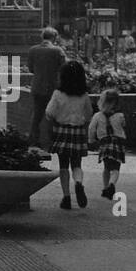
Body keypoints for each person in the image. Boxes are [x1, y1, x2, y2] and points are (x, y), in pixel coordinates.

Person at [45, 60, 93, 210]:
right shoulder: (84, 95)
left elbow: (50, 112)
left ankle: (66, 197)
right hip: (78, 131)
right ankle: (78, 183)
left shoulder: (58, 94)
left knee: (63, 165)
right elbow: (89, 114)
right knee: (77, 164)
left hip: (62, 131)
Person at [27, 27, 67, 149]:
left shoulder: (33, 50)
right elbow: (64, 69)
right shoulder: (57, 51)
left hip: (37, 87)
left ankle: (34, 141)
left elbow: (31, 69)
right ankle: (52, 142)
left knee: (37, 115)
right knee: (53, 115)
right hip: (53, 87)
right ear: (54, 37)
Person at [88, 87, 127, 199]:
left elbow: (91, 129)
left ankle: (105, 188)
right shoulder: (120, 116)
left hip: (104, 143)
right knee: (116, 168)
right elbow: (123, 126)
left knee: (106, 168)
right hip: (118, 143)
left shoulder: (97, 116)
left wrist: (91, 140)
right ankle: (112, 184)